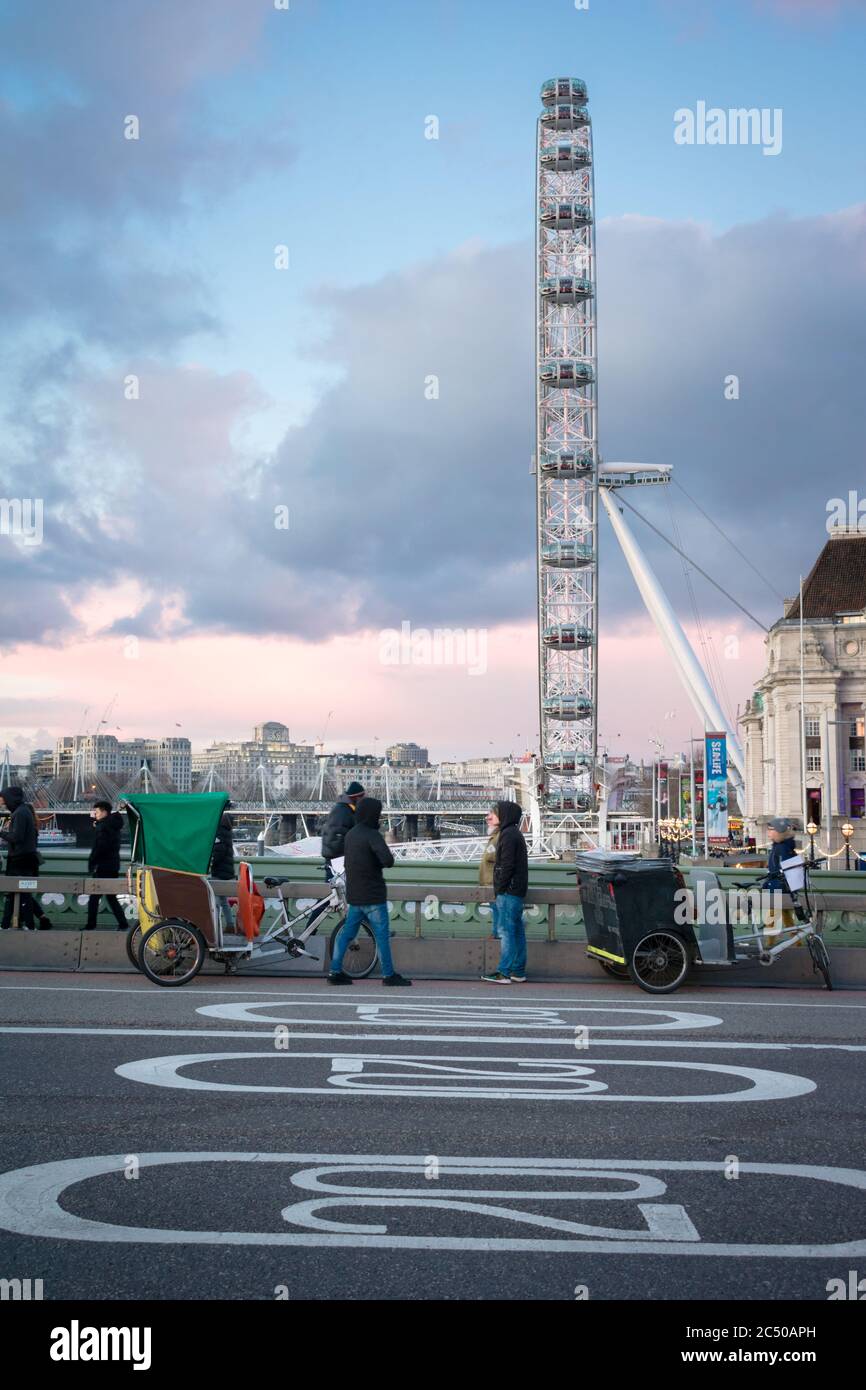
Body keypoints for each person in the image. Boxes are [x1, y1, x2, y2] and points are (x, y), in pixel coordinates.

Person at [328, 795, 411, 987]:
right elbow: (388, 861)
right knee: (381, 936)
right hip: (373, 895)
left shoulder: (351, 834)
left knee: (347, 934)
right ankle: (388, 975)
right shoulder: (373, 835)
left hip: (355, 895)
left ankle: (335, 971)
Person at [482, 800, 528, 984]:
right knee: (517, 931)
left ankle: (504, 972)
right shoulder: (516, 834)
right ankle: (518, 971)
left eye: (496, 812)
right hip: (517, 891)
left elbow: (506, 865)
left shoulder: (507, 835)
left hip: (508, 892)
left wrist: (499, 887)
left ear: (505, 815)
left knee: (506, 931)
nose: (490, 815)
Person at [0, 786, 51, 930]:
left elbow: (17, 837)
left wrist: (1, 833)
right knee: (21, 894)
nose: (1, 800)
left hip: (19, 861)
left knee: (18, 894)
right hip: (25, 859)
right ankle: (12, 925)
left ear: (10, 798)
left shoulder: (19, 814)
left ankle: (26, 925)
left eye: (3, 797)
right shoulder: (23, 812)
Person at [85, 801, 128, 930]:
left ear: (104, 812)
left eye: (97, 812)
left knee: (94, 897)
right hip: (113, 865)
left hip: (103, 866)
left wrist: (93, 862)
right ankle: (123, 923)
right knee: (111, 897)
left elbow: (100, 847)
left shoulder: (103, 827)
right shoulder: (112, 825)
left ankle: (90, 925)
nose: (95, 815)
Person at [761, 816, 799, 946]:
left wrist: (769, 881)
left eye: (771, 829)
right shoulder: (781, 846)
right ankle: (797, 943)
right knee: (786, 918)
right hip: (781, 889)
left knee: (772, 919)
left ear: (779, 832)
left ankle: (769, 946)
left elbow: (781, 870)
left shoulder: (781, 848)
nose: (769, 832)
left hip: (779, 889)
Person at [321, 781, 364, 881]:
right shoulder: (343, 811)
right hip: (337, 861)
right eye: (362, 797)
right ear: (356, 798)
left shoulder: (346, 809)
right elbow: (337, 837)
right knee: (335, 890)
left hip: (337, 859)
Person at [210, 803, 236, 932]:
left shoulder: (219, 831)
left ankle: (215, 925)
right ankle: (230, 924)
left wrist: (211, 863)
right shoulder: (228, 832)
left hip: (219, 871)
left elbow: (218, 852)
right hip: (227, 871)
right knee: (223, 899)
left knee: (214, 899)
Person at [478, 807, 501, 939]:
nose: (487, 818)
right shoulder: (494, 837)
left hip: (495, 884)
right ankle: (496, 932)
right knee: (496, 911)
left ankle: (496, 934)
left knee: (498, 911)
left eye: (491, 815)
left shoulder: (500, 837)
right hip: (490, 883)